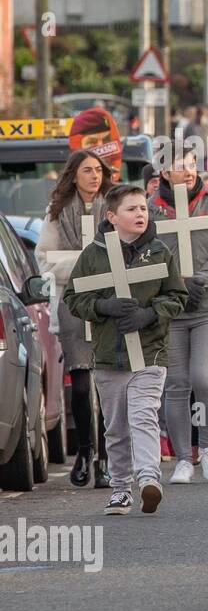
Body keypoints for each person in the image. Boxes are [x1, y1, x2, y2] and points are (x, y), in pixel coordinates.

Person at [65, 183, 188, 515]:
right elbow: (73, 297)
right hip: (108, 355)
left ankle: (149, 479)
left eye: (144, 209)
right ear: (112, 216)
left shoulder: (160, 251)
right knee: (116, 427)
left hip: (149, 351)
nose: (140, 214)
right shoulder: (94, 254)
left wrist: (149, 314)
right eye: (132, 209)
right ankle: (120, 488)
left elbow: (177, 296)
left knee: (144, 416)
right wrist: (105, 307)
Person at [150, 146, 208, 485]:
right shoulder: (153, 209)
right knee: (176, 385)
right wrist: (173, 286)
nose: (187, 172)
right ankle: (183, 459)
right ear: (163, 173)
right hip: (170, 310)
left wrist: (199, 281)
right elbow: (144, 254)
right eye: (178, 167)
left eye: (191, 165)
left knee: (204, 379)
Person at [35, 150, 112, 489]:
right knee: (81, 384)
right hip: (73, 301)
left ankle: (106, 458)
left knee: (109, 383)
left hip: (111, 300)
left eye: (98, 170)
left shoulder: (114, 206)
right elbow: (46, 261)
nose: (94, 176)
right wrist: (88, 264)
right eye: (87, 171)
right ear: (73, 175)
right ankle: (83, 451)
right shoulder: (56, 213)